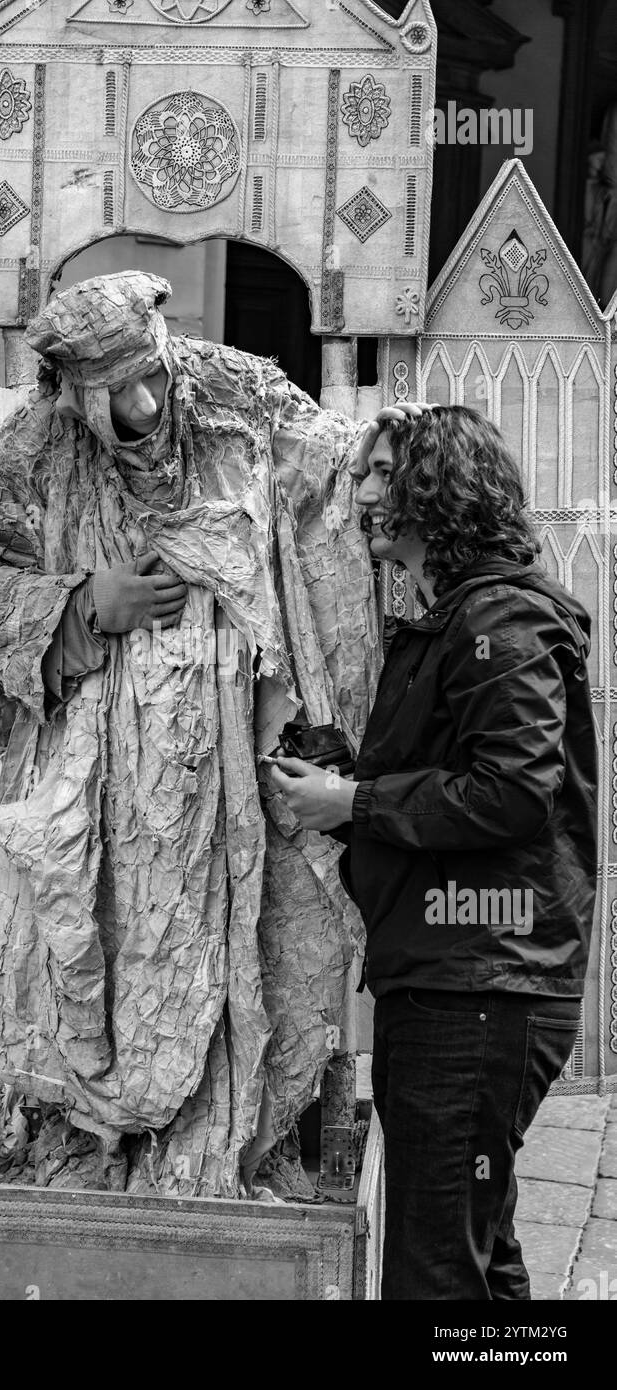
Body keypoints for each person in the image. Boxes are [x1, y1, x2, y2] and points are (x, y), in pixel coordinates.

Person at [0, 269, 389, 1198]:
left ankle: (238, 1142)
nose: (145, 403)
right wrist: (81, 605)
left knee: (242, 941)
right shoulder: (35, 446)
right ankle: (102, 1137)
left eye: (152, 375)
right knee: (104, 939)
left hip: (232, 749)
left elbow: (338, 471)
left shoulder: (235, 391)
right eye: (118, 393)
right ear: (75, 395)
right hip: (103, 768)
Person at [270, 404, 598, 1298]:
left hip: (481, 985)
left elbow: (512, 795)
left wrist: (356, 798)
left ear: (438, 488)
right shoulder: (455, 620)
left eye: (383, 475)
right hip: (464, 976)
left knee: (437, 1266)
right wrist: (342, 791)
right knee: (473, 1251)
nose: (364, 495)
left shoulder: (502, 624)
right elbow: (451, 791)